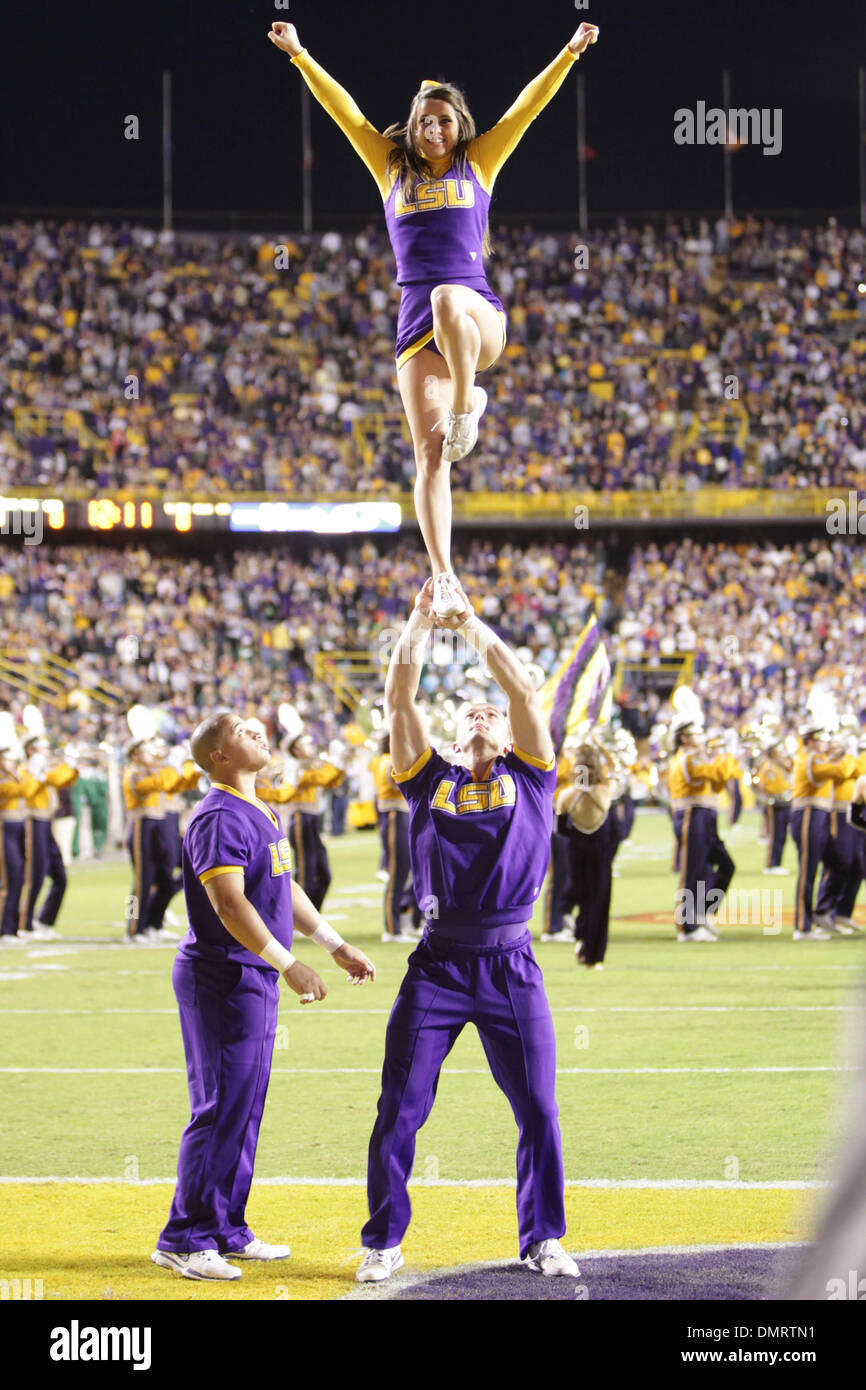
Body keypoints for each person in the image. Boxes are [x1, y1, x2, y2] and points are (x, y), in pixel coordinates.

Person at [268, 19, 599, 617]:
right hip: (415, 329)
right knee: (428, 456)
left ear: (459, 125)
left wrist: (570, 53)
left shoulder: (481, 162)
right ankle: (444, 576)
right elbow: (345, 115)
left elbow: (529, 107)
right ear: (414, 127)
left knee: (448, 296)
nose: (435, 127)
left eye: (445, 119)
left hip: (476, 316)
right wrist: (299, 55)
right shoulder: (390, 168)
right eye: (426, 119)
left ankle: (467, 408)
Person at [356, 577, 578, 1284]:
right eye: (468, 712)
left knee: (539, 1107)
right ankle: (383, 1240)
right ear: (453, 737)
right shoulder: (426, 778)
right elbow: (399, 699)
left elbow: (519, 690)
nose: (481, 713)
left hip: (512, 962)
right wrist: (419, 624)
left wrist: (473, 623)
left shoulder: (535, 773)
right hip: (439, 965)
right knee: (400, 1107)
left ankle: (543, 1236)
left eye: (491, 712)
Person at [152, 710, 375, 1282]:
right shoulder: (219, 816)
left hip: (249, 974)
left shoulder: (258, 808)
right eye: (242, 731)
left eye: (258, 727)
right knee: (221, 1104)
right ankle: (183, 1237)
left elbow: (282, 887)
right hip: (222, 974)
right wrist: (289, 963)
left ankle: (225, 1226)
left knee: (244, 1107)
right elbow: (230, 904)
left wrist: (332, 943)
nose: (258, 731)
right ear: (218, 756)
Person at [555, 741, 621, 970]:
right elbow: (616, 770)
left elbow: (561, 828)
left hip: (576, 847)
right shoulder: (606, 790)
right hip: (600, 848)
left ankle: (581, 938)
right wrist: (602, 748)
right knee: (599, 901)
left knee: (583, 896)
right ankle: (593, 955)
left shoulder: (566, 794)